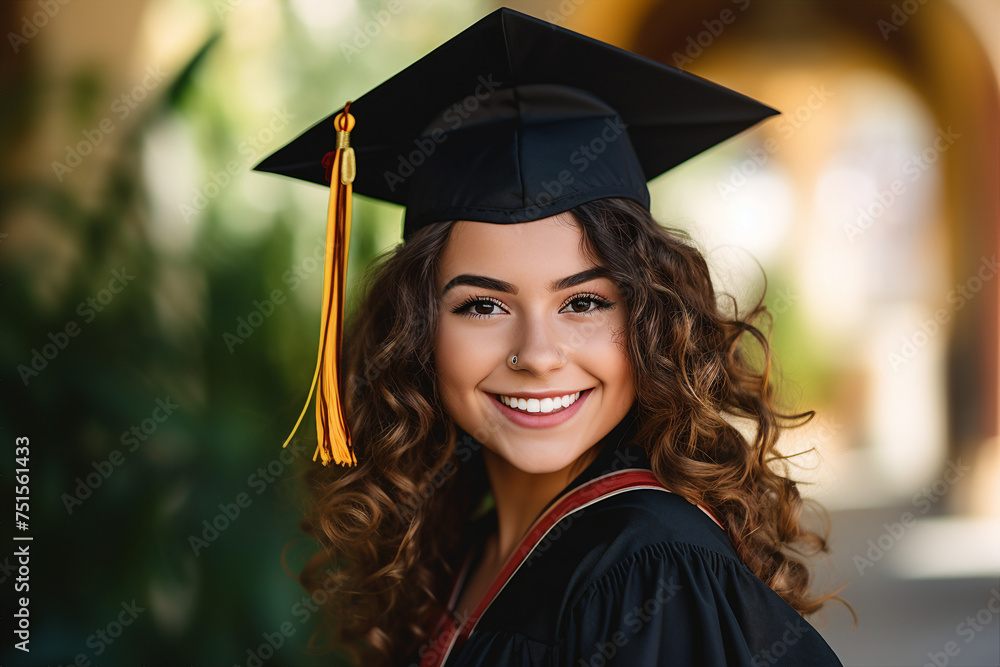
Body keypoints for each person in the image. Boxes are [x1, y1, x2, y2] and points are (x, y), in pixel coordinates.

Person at [255, 7, 848, 666]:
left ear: (648, 320)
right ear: (417, 332)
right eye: (481, 305)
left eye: (585, 301)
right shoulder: (462, 548)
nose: (537, 354)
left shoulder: (649, 571)